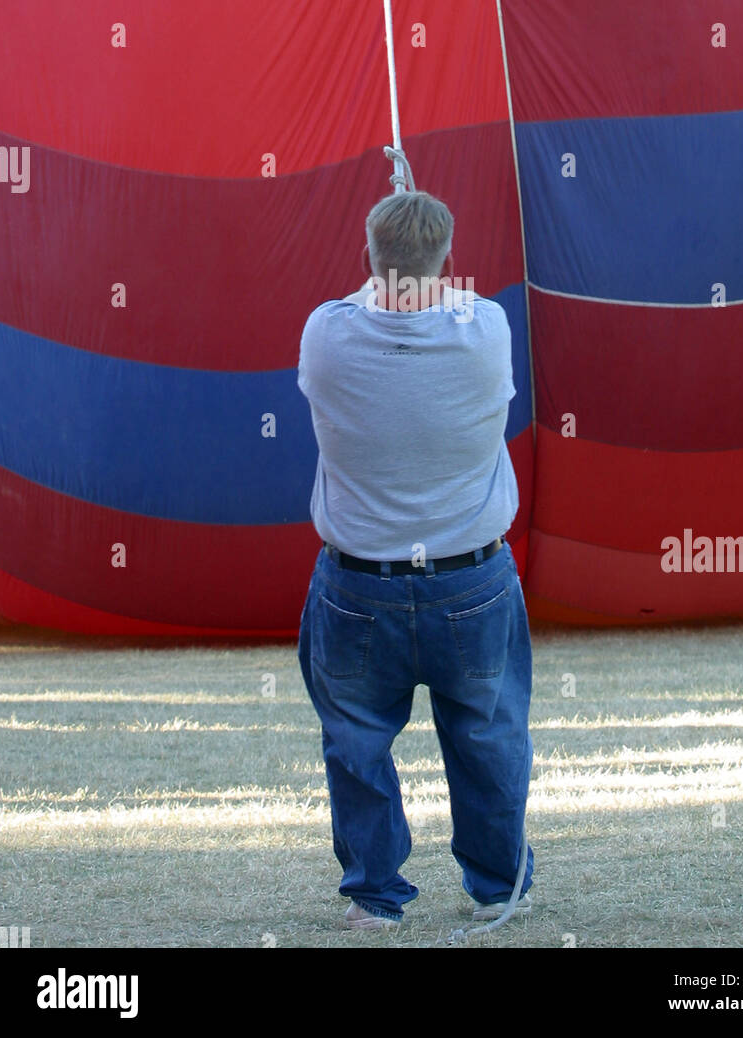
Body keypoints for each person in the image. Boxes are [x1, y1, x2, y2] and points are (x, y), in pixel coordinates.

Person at [296, 189, 534, 929]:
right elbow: (437, 299)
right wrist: (413, 237)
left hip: (357, 585)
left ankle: (376, 897)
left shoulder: (327, 335)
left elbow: (369, 298)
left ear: (368, 258)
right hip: (473, 580)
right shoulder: (486, 328)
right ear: (449, 262)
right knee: (488, 738)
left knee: (355, 742)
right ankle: (497, 887)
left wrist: (394, 241)